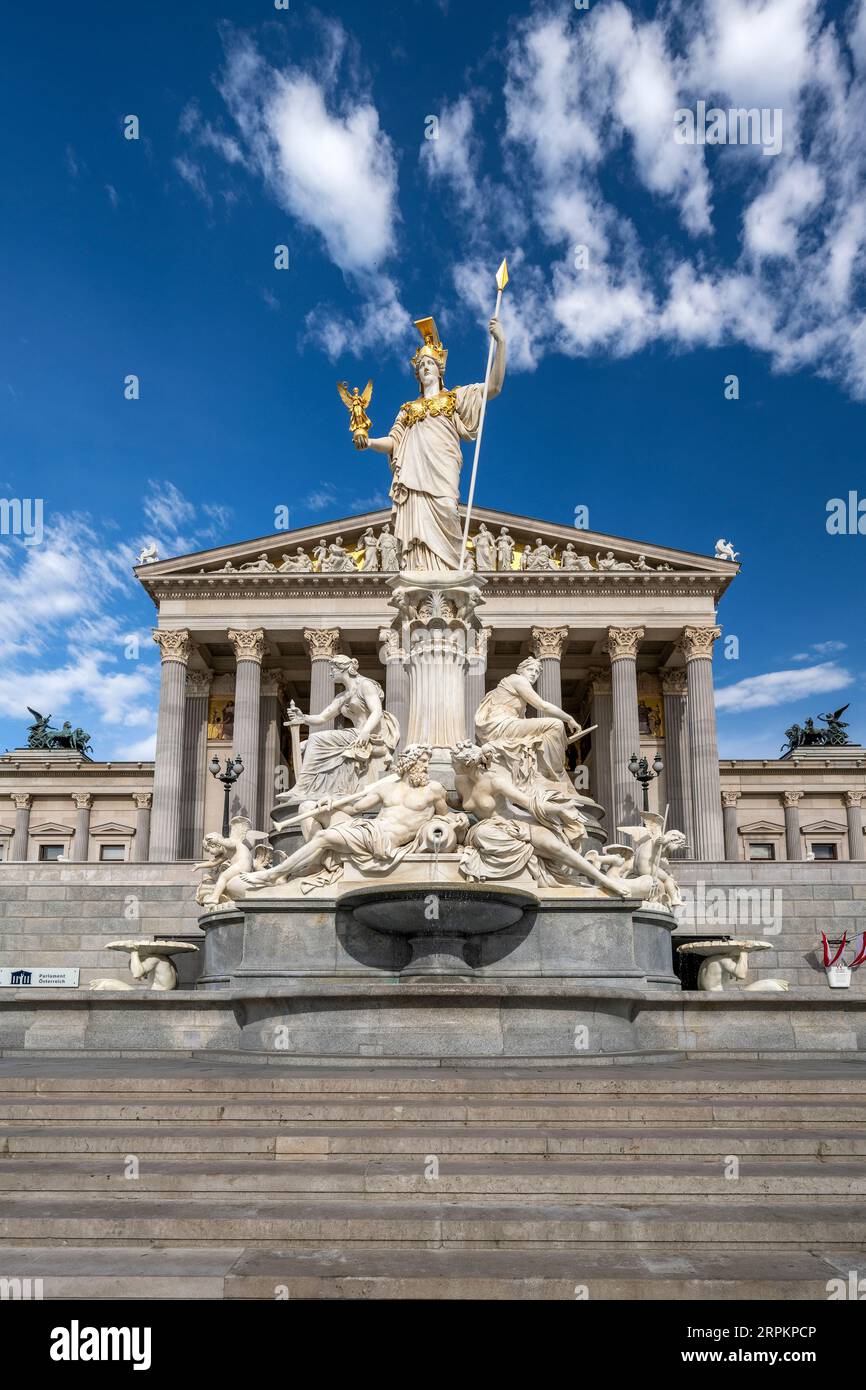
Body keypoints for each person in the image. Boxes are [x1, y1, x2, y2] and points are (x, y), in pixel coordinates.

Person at [355, 317, 507, 571]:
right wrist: (369, 442)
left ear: (440, 369)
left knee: (448, 508)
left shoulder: (455, 398)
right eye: (421, 365)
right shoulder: (408, 410)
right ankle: (421, 572)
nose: (426, 368)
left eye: (430, 364)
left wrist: (501, 342)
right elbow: (394, 442)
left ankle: (451, 568)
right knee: (417, 533)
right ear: (417, 374)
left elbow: (494, 387)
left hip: (443, 470)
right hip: (415, 477)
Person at [243, 745, 448, 890]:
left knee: (325, 837)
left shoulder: (433, 790)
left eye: (427, 761)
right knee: (308, 807)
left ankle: (275, 874)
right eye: (422, 761)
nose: (426, 766)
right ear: (410, 762)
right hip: (369, 828)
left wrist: (455, 823)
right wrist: (332, 801)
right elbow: (355, 808)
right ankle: (316, 864)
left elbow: (444, 818)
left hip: (383, 841)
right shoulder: (387, 788)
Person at [474, 656, 580, 788]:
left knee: (542, 735)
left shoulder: (514, 688)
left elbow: (523, 721)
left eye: (537, 672)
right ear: (521, 671)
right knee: (556, 724)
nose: (534, 674)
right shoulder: (517, 679)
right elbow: (542, 706)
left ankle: (543, 774)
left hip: (505, 725)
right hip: (501, 725)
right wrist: (569, 719)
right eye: (530, 669)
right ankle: (553, 775)